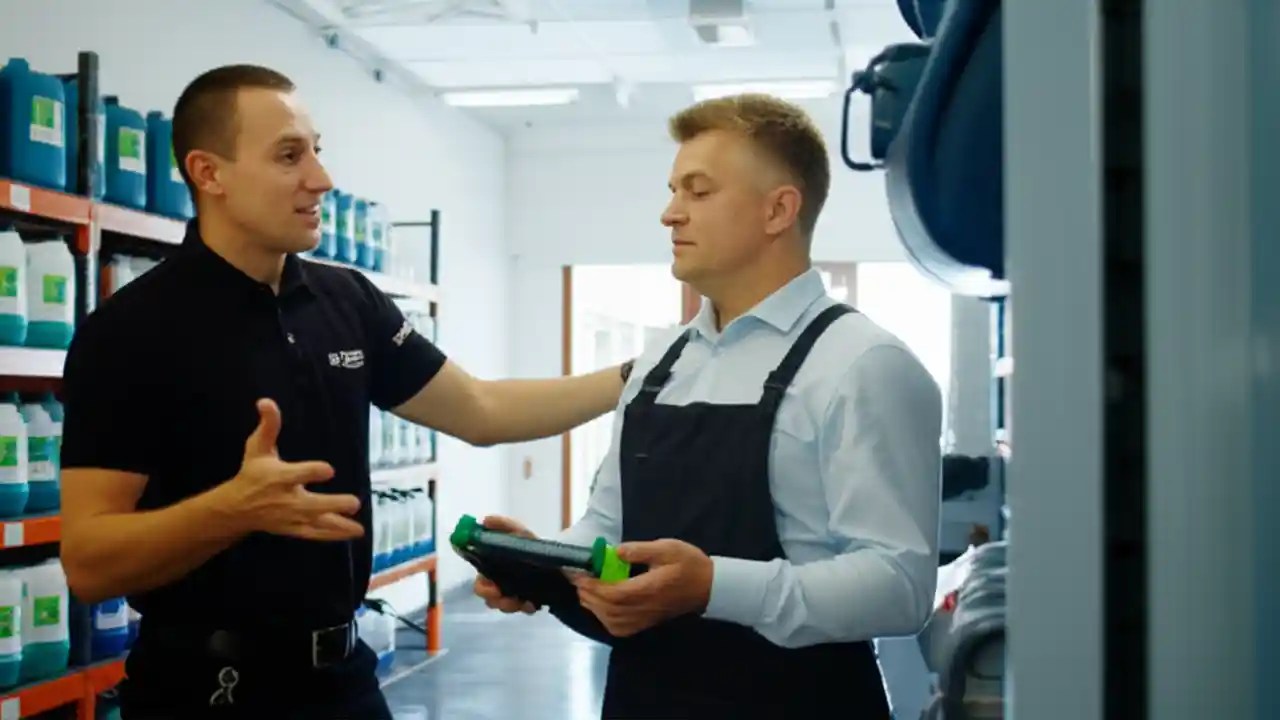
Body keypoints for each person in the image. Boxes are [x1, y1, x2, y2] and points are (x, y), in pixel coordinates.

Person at [57, 64, 628, 719]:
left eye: (317, 151)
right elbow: (90, 563)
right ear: (209, 173)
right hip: (207, 690)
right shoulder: (131, 331)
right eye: (289, 156)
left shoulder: (346, 300)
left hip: (343, 683)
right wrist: (234, 509)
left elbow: (481, 410)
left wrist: (641, 376)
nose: (321, 179)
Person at [476, 94, 943, 718]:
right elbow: (608, 528)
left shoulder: (864, 364)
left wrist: (712, 587)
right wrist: (548, 564)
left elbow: (899, 587)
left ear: (779, 209)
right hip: (645, 697)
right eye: (673, 191)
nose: (670, 214)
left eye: (697, 192)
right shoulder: (657, 363)